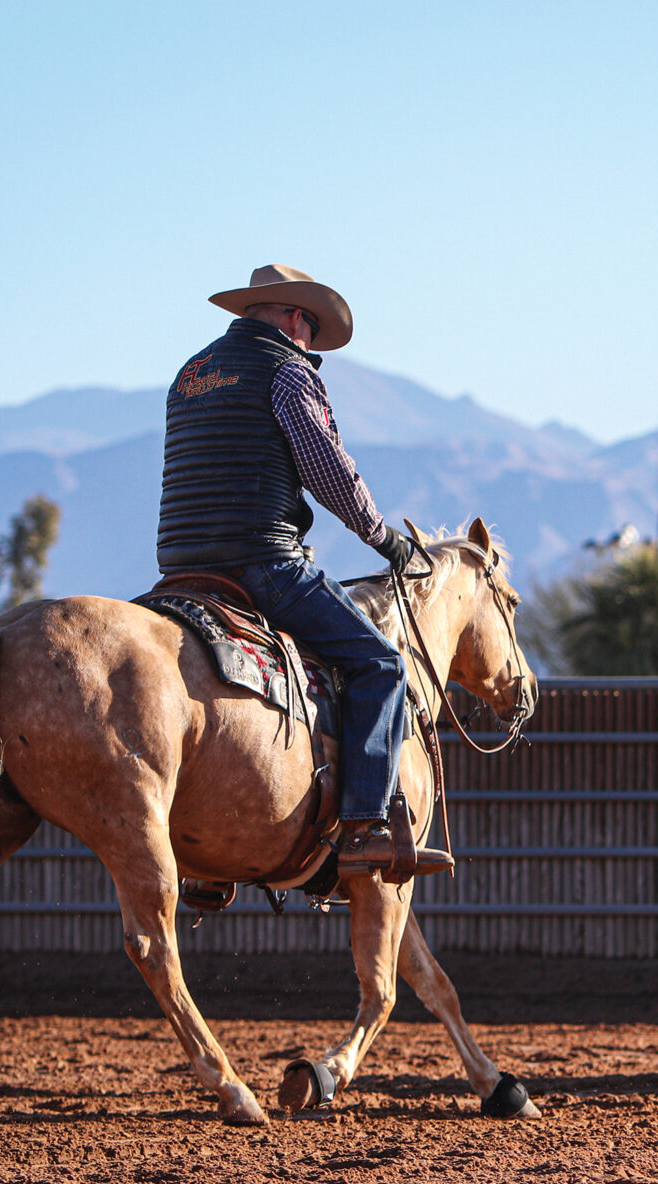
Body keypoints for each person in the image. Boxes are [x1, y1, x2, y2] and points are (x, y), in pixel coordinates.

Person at [158, 264, 445, 875]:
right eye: (311, 331)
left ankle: (205, 873)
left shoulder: (191, 375)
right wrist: (381, 537)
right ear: (295, 320)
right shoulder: (287, 372)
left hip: (179, 571)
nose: (312, 345)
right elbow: (326, 466)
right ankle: (366, 825)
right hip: (262, 562)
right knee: (381, 665)